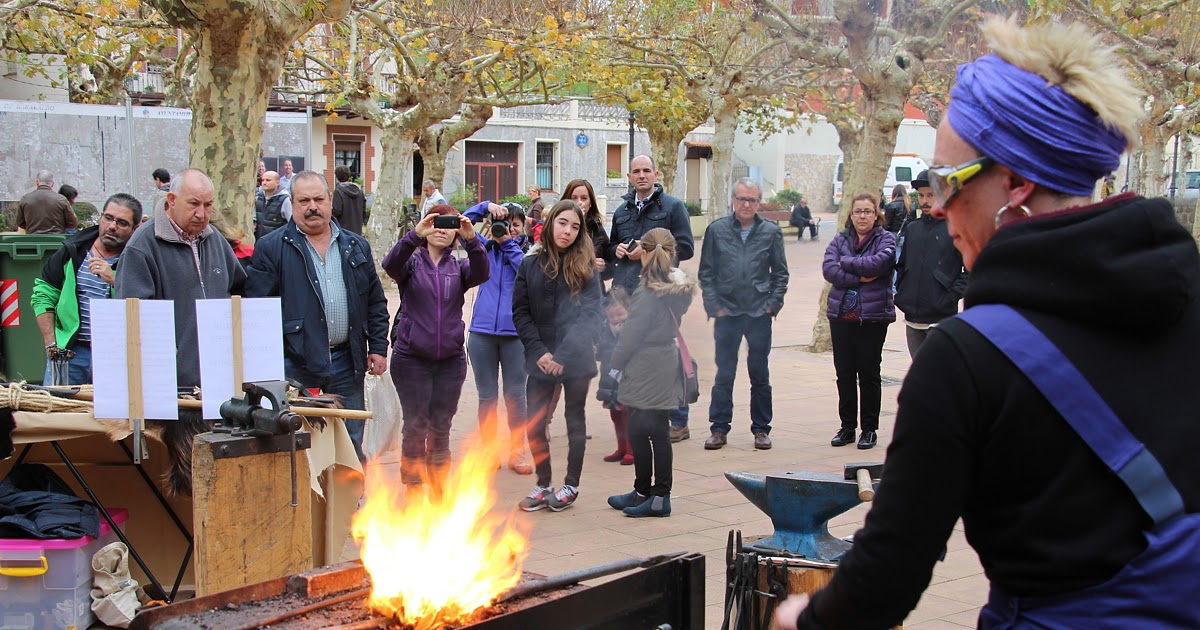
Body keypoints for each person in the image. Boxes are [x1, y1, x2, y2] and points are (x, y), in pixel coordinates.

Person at [777, 18, 1200, 629]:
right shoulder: (1188, 298)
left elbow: (889, 572)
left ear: (1017, 185)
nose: (936, 206)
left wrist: (806, 618)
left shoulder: (965, 357)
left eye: (947, 181)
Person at [244, 171, 389, 463]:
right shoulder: (271, 248)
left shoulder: (355, 245)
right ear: (292, 203)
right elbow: (258, 311)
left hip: (348, 360)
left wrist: (377, 347)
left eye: (319, 199)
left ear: (330, 200)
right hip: (296, 363)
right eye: (304, 201)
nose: (312, 207)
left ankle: (351, 490)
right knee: (297, 441)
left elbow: (375, 301)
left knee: (350, 438)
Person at [382, 204, 488, 495]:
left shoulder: (459, 268)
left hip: (450, 361)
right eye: (436, 222)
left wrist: (472, 239)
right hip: (411, 358)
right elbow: (390, 264)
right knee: (416, 425)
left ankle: (439, 486)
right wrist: (415, 235)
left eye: (448, 224)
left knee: (441, 425)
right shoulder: (411, 264)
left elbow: (482, 272)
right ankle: (414, 486)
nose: (441, 229)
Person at [115, 168, 246, 389]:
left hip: (219, 378)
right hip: (169, 385)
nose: (201, 214)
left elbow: (240, 293)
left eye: (208, 205)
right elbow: (134, 320)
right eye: (194, 204)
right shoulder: (142, 246)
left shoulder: (216, 241)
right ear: (172, 200)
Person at [512, 200, 603, 513]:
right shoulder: (529, 264)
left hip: (575, 359)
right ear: (551, 225)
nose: (568, 231)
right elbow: (520, 311)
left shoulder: (586, 267)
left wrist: (562, 355)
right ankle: (543, 483)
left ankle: (571, 485)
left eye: (575, 227)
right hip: (540, 358)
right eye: (563, 223)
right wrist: (539, 351)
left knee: (574, 420)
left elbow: (591, 315)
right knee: (534, 423)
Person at [604, 228, 697, 518]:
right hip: (662, 359)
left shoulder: (648, 291)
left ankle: (658, 496)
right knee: (646, 429)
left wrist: (614, 364)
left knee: (651, 431)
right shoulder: (675, 288)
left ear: (643, 253)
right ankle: (643, 491)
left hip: (646, 362)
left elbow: (631, 333)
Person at [605, 155, 695, 442]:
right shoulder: (621, 211)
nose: (641, 175)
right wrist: (617, 250)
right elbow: (611, 246)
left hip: (660, 292)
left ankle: (678, 420)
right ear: (629, 177)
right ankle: (643, 416)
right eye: (636, 171)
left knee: (663, 354)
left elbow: (686, 247)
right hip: (626, 292)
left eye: (646, 170)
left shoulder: (673, 206)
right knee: (634, 353)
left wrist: (649, 250)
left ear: (656, 174)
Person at [698, 178, 789, 451]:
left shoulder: (771, 232)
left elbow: (780, 273)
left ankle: (761, 429)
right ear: (733, 200)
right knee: (724, 373)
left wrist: (772, 304)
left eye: (752, 199)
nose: (746, 204)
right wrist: (715, 307)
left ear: (759, 202)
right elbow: (706, 273)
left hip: (759, 312)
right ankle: (718, 428)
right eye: (741, 199)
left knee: (759, 374)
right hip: (727, 312)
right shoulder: (717, 230)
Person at [32, 193, 141, 385]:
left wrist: (116, 280)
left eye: (122, 223)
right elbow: (43, 296)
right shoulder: (73, 251)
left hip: (116, 357)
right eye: (108, 218)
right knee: (57, 403)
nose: (112, 226)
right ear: (101, 217)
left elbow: (150, 304)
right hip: (70, 354)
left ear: (135, 229)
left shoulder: (138, 260)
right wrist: (52, 345)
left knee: (112, 406)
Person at [462, 200, 533, 476]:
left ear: (524, 227)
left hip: (515, 335)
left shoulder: (530, 253)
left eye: (515, 225)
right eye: (504, 224)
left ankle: (518, 450)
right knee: (487, 397)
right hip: (482, 333)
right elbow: (460, 225)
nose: (509, 229)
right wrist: (485, 207)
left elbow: (526, 272)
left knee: (516, 395)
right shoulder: (483, 249)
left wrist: (506, 242)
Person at [822, 193, 896, 451]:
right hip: (841, 317)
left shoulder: (886, 239)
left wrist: (846, 263)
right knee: (844, 373)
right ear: (851, 215)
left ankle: (869, 429)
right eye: (858, 211)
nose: (862, 216)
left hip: (873, 317)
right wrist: (858, 277)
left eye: (867, 211)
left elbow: (878, 264)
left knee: (868, 373)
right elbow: (829, 269)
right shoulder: (840, 239)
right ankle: (847, 427)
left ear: (876, 215)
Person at [893, 170, 968, 357]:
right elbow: (902, 265)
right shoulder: (913, 228)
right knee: (918, 370)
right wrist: (903, 292)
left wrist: (949, 297)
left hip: (941, 318)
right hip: (912, 317)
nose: (925, 200)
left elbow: (969, 271)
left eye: (930, 195)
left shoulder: (955, 228)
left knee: (940, 371)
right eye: (921, 195)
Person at [594, 287, 633, 465]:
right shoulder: (605, 328)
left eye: (619, 314)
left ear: (629, 310)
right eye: (611, 316)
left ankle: (632, 450)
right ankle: (621, 448)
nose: (616, 319)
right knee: (615, 415)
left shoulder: (632, 329)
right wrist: (597, 350)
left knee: (627, 415)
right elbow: (603, 352)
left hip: (626, 380)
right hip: (609, 379)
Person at [562, 179, 610, 278]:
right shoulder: (557, 227)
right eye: (573, 198)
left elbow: (610, 261)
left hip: (592, 285)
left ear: (590, 203)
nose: (579, 202)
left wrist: (603, 266)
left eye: (584, 198)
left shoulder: (596, 228)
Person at [254, 171, 292, 239]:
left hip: (277, 241)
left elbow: (292, 223)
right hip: (259, 241)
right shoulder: (258, 198)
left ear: (277, 182)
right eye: (263, 180)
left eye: (268, 180)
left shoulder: (285, 200)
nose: (264, 183)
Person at [331, 165, 365, 236]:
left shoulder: (338, 192)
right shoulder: (360, 192)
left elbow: (336, 211)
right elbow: (363, 211)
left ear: (337, 177)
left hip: (343, 230)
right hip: (357, 230)